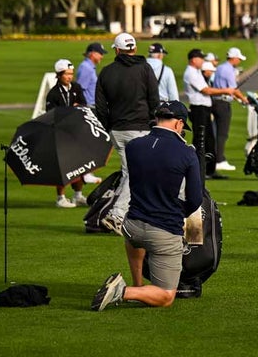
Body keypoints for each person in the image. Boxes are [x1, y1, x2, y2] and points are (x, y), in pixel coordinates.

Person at [91, 100, 202, 311]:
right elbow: (195, 199)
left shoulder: (134, 147)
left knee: (137, 238)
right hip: (163, 230)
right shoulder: (187, 153)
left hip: (131, 225)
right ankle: (124, 291)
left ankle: (138, 285)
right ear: (179, 124)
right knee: (166, 296)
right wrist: (178, 213)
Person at [94, 33, 159, 233]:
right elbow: (154, 100)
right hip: (139, 129)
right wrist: (154, 123)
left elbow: (100, 106)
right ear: (134, 48)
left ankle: (107, 212)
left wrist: (109, 126)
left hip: (117, 130)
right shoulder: (145, 69)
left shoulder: (106, 72)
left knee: (128, 173)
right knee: (137, 173)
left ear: (116, 49)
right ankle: (117, 214)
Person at [182, 48, 244, 178]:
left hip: (204, 109)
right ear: (194, 59)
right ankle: (200, 170)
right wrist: (225, 90)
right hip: (198, 109)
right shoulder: (190, 73)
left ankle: (209, 170)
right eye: (201, 58)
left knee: (209, 140)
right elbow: (206, 91)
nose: (203, 60)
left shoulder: (197, 72)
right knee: (201, 140)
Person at [45, 58, 88, 208]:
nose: (70, 76)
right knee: (63, 166)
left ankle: (78, 195)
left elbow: (83, 105)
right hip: (60, 135)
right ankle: (60, 197)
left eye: (71, 73)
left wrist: (77, 107)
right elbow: (52, 116)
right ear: (59, 75)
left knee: (79, 165)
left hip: (76, 132)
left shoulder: (76, 87)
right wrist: (71, 110)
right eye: (66, 74)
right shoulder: (53, 94)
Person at [210, 47, 246, 171]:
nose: (239, 61)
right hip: (223, 103)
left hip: (215, 101)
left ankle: (218, 157)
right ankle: (219, 160)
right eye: (239, 59)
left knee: (216, 132)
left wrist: (238, 98)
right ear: (234, 58)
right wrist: (244, 99)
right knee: (222, 133)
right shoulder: (229, 70)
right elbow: (234, 89)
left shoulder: (220, 67)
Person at [77, 41, 106, 105]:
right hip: (88, 106)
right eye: (101, 53)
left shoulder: (89, 67)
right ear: (93, 53)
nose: (102, 57)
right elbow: (79, 89)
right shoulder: (86, 67)